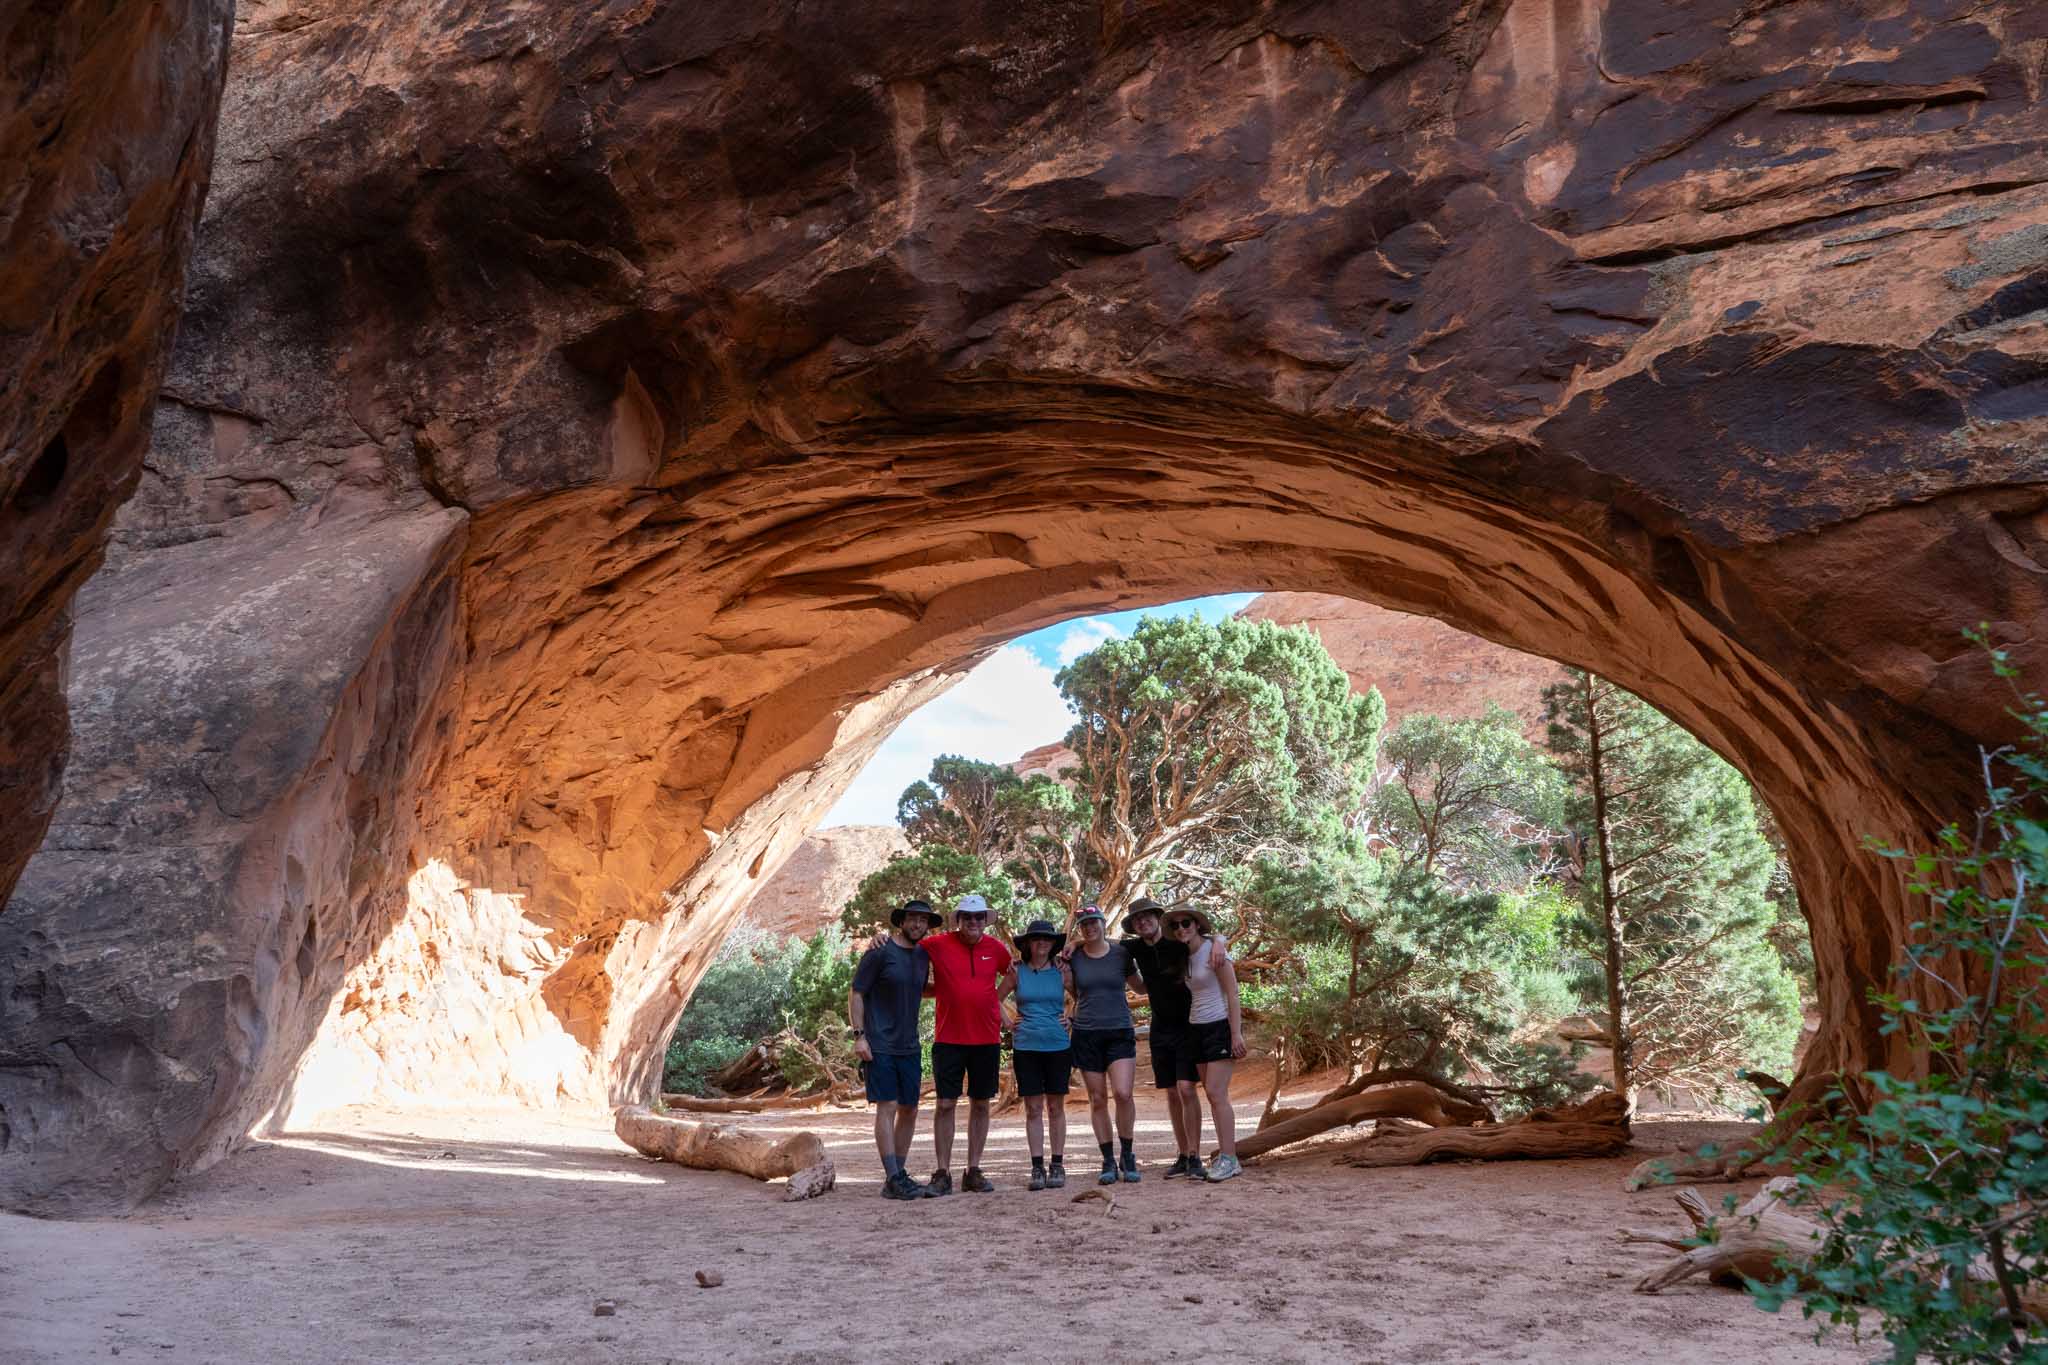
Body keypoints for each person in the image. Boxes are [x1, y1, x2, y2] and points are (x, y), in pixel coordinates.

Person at [913, 892, 1012, 1195]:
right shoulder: (937, 944)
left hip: (986, 1039)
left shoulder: (996, 949)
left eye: (978, 917)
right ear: (958, 920)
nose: (973, 921)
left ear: (985, 920)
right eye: (967, 917)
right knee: (945, 1104)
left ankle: (973, 1170)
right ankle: (942, 1172)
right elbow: (906, 946)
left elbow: (1013, 973)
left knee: (981, 1104)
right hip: (949, 1039)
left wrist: (995, 1002)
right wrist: (881, 940)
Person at [850, 898, 937, 1200]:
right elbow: (857, 993)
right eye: (912, 919)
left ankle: (898, 1177)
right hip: (879, 1043)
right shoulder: (880, 951)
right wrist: (859, 1036)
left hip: (909, 1044)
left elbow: (920, 989)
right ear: (901, 921)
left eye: (923, 920)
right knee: (887, 1106)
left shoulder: (923, 955)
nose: (917, 924)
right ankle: (893, 1176)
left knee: (910, 1109)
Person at [1121, 896, 1204, 1180]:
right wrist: (1074, 944)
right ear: (1133, 926)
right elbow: (1101, 944)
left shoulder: (1177, 940)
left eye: (1147, 916)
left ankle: (1195, 1155)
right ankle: (1183, 1155)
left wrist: (1219, 943)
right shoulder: (1133, 948)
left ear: (1158, 918)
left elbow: (1210, 940)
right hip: (1160, 1029)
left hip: (1188, 1026)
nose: (1142, 922)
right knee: (1171, 1092)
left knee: (1187, 1089)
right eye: (1137, 919)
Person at [1065, 905, 1141, 1185]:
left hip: (1119, 1030)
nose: (1089, 928)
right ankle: (1108, 1159)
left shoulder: (1121, 953)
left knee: (1123, 1093)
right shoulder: (1073, 957)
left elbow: (1140, 986)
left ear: (1103, 923)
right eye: (1084, 924)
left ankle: (1127, 1155)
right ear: (1080, 928)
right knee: (1097, 1099)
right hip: (1086, 1033)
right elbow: (1072, 990)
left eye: (1093, 922)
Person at [1172, 907, 1248, 1182]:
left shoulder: (1215, 951)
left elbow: (1233, 993)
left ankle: (1230, 1158)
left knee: (1217, 1093)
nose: (1181, 929)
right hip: (1196, 1028)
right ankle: (1224, 1157)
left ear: (1197, 924)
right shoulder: (1185, 956)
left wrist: (1236, 1034)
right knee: (1210, 1094)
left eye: (1186, 923)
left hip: (1219, 1026)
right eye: (1176, 926)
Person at [997, 919, 1072, 1190]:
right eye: (1037, 938)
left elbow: (1082, 995)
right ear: (1028, 943)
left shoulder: (1062, 971)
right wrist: (1007, 1022)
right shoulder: (1017, 972)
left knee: (1055, 1107)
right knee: (1033, 1108)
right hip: (1026, 1046)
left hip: (1058, 1046)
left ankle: (1057, 1164)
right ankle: (1037, 1167)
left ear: (1053, 944)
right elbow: (995, 998)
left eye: (1047, 939)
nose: (1042, 943)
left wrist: (1071, 1017)